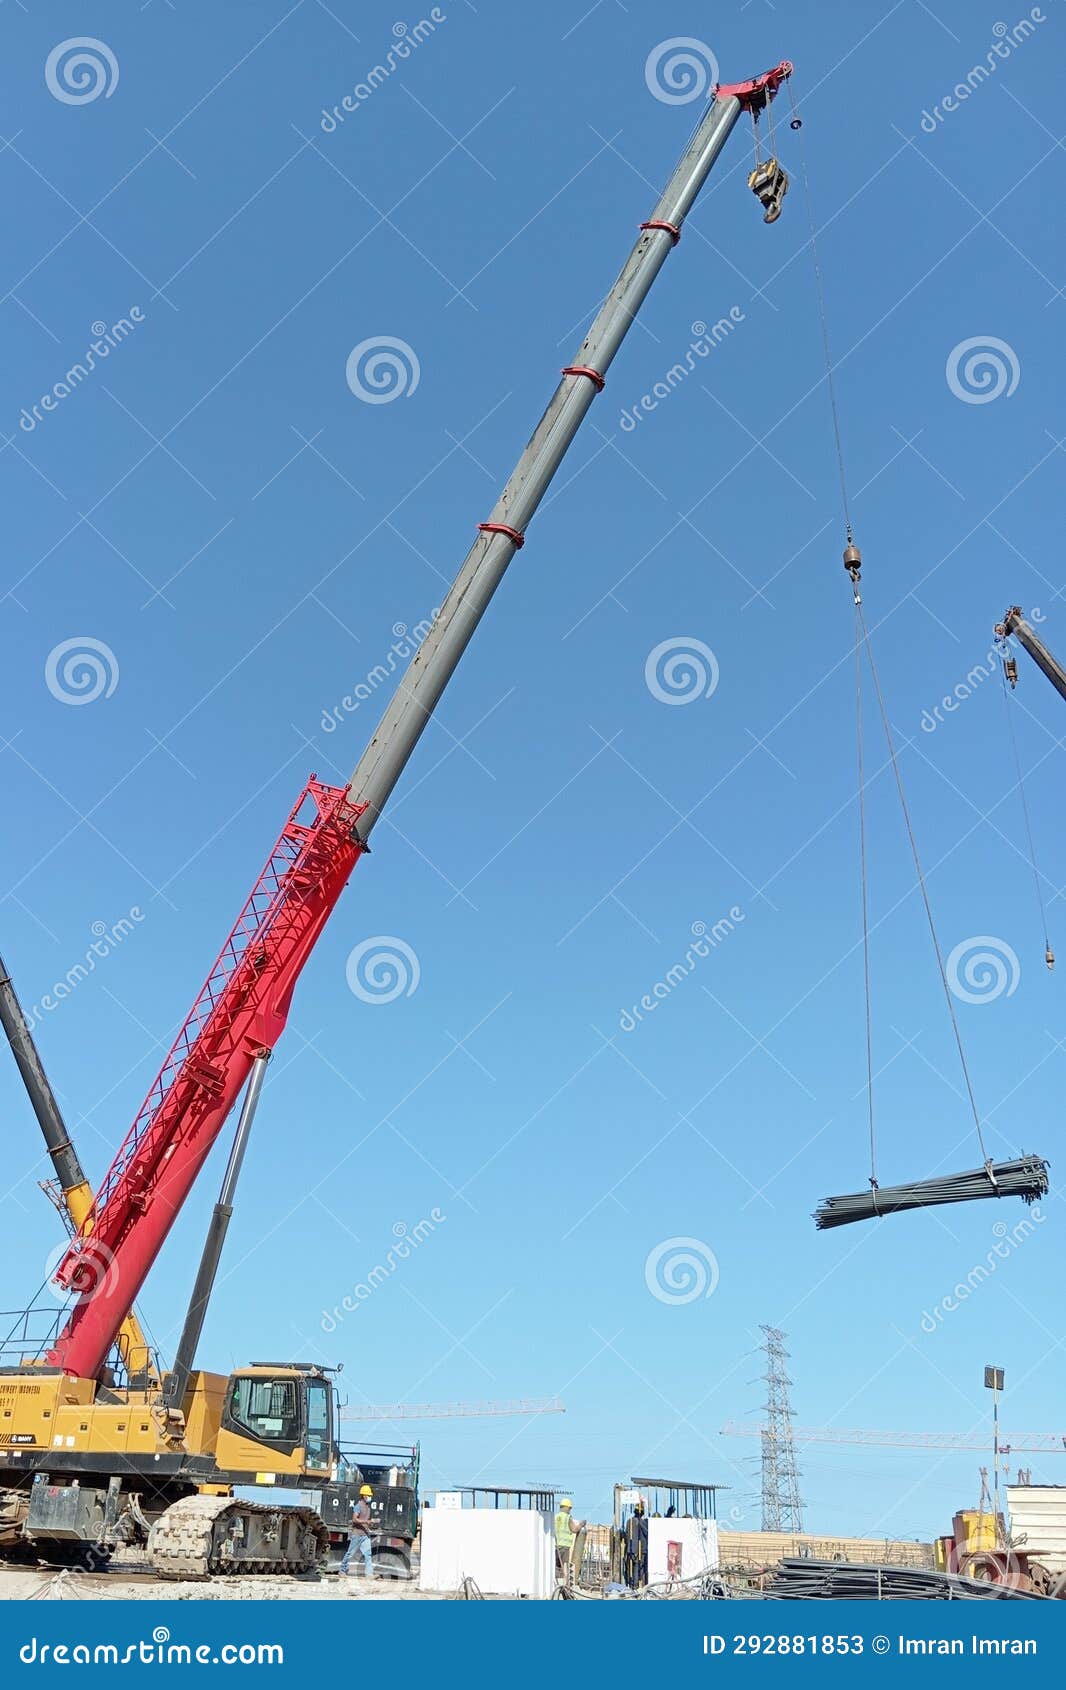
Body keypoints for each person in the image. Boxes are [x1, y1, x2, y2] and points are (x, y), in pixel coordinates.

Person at [340, 1484, 375, 1577]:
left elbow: (364, 1521)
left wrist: (369, 1524)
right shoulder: (358, 1506)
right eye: (369, 1495)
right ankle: (342, 1570)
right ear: (364, 1495)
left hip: (365, 1535)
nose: (370, 1497)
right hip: (357, 1534)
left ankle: (369, 1574)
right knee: (350, 1553)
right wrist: (367, 1521)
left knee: (368, 1554)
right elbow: (355, 1519)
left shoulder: (368, 1507)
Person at [554, 1497, 584, 1580]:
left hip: (555, 1546)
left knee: (556, 1567)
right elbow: (574, 1529)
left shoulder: (555, 1517)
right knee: (565, 1568)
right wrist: (581, 1524)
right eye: (569, 1508)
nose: (570, 1510)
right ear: (567, 1507)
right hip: (564, 1547)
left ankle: (555, 1582)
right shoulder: (568, 1517)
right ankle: (564, 1584)